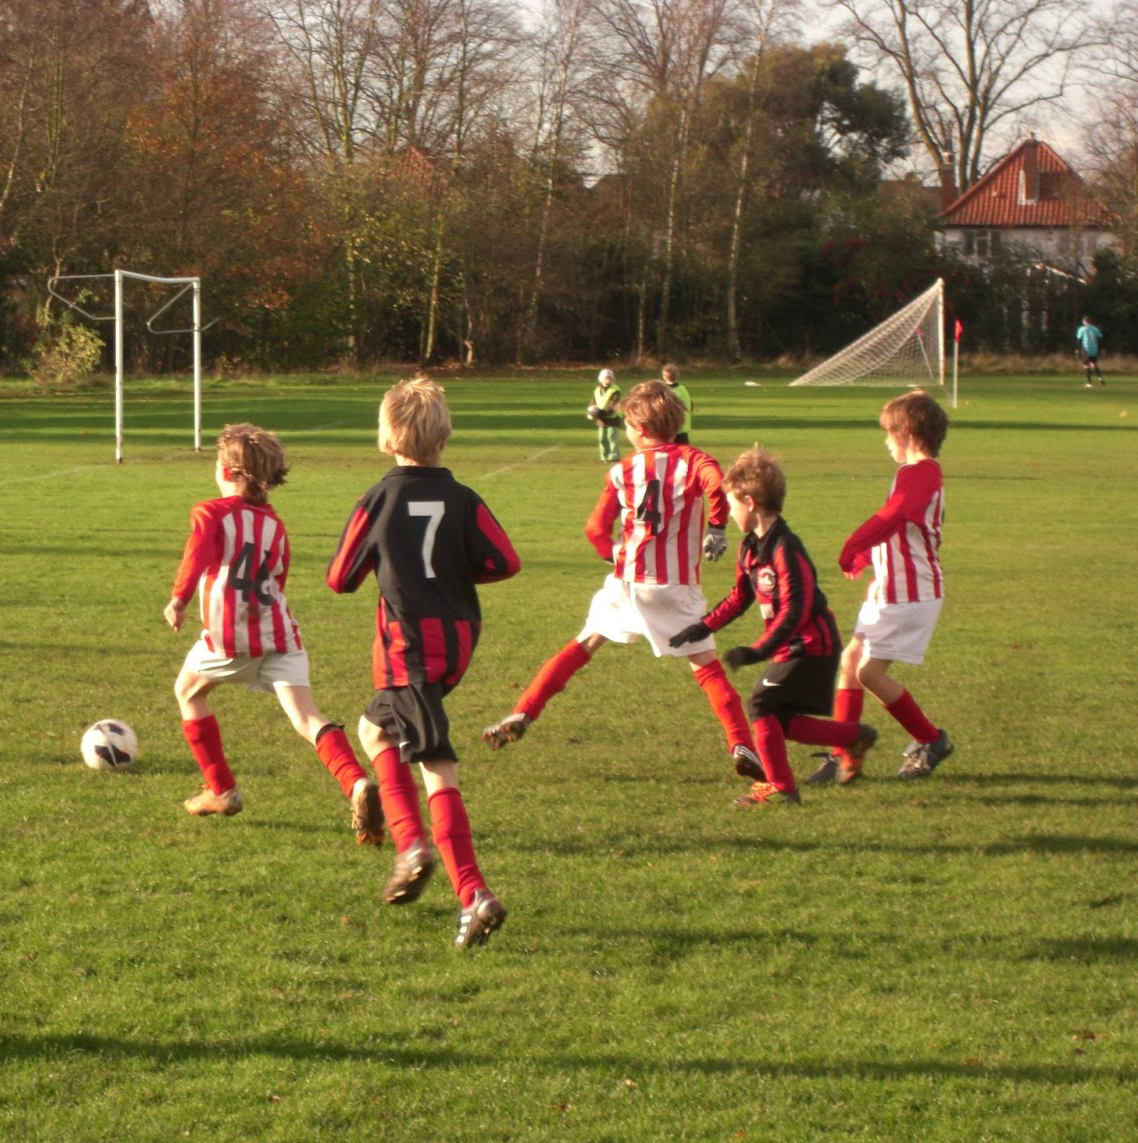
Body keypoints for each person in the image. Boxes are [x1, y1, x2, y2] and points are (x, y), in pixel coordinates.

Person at [482, 379, 764, 787]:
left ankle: (524, 711)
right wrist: (717, 527)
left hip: (626, 581)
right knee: (707, 669)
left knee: (582, 646)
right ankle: (740, 743)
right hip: (674, 586)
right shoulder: (691, 460)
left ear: (639, 430)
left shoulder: (623, 470)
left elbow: (596, 529)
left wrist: (614, 553)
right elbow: (713, 477)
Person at [326, 374, 522, 949]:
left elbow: (340, 578)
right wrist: (456, 572)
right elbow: (505, 561)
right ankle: (414, 843)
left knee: (435, 763)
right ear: (445, 437)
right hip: (459, 639)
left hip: (407, 644)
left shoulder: (379, 498)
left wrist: (390, 567)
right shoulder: (464, 498)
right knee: (373, 728)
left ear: (387, 437)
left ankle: (466, 887)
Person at [165, 423, 384, 845]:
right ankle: (356, 784)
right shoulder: (275, 526)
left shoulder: (211, 513)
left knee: (189, 693)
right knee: (307, 716)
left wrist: (179, 599)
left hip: (231, 636)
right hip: (280, 632)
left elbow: (196, 556)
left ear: (227, 474)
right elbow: (278, 578)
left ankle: (222, 789)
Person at [669, 447, 879, 807]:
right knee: (778, 720)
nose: (729, 511)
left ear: (750, 502)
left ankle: (781, 787)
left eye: (732, 503)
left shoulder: (786, 549)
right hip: (792, 644)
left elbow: (796, 610)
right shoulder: (750, 548)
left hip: (813, 644)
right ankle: (854, 736)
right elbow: (739, 597)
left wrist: (757, 651)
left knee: (761, 704)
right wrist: (702, 627)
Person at [805, 389, 954, 785]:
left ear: (906, 433)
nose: (885, 440)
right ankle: (843, 752)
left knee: (869, 673)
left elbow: (897, 514)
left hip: (910, 594)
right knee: (851, 662)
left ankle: (930, 739)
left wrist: (856, 543)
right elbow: (905, 528)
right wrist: (869, 556)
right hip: (890, 588)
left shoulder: (922, 472)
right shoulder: (915, 473)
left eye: (889, 432)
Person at [586, 368, 624, 462]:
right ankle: (604, 456)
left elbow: (612, 405)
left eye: (610, 378)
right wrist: (590, 413)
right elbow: (593, 403)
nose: (608, 380)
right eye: (606, 378)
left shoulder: (615, 390)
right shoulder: (597, 391)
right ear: (601, 379)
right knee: (602, 438)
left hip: (613, 418)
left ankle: (614, 456)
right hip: (601, 419)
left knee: (612, 437)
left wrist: (599, 413)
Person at [661, 363, 693, 444]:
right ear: (677, 375)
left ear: (664, 376)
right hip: (683, 428)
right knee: (684, 454)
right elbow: (690, 405)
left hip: (669, 430)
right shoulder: (683, 389)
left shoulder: (664, 391)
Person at [1076, 316, 1106, 387]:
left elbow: (1078, 339)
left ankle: (1089, 383)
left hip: (1086, 348)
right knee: (1093, 364)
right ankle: (1100, 378)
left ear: (1085, 321)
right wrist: (1102, 348)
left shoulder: (1082, 329)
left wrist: (1077, 349)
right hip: (1094, 349)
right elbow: (1100, 338)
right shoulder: (1096, 329)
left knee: (1086, 366)